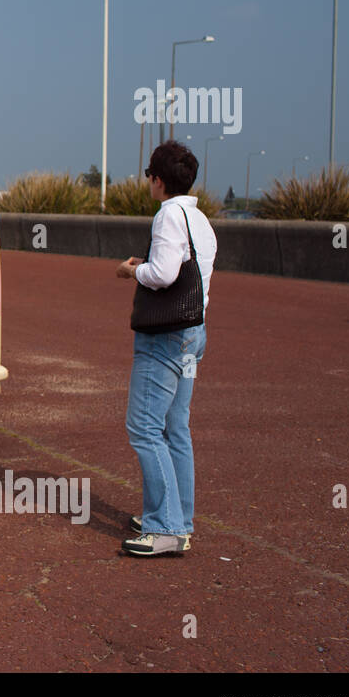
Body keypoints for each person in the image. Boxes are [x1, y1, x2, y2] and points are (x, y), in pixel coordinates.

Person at [115, 141, 218, 555]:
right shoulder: (200, 220)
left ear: (158, 180)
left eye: (149, 176)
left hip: (165, 337)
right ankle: (178, 515)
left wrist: (131, 270)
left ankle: (166, 528)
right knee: (176, 429)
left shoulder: (168, 217)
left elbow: (162, 273)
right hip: (194, 332)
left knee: (143, 427)